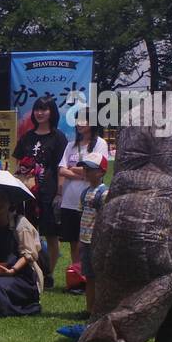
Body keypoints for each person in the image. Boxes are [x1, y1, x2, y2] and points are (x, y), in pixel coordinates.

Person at [12, 95, 67, 275]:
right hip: (27, 192)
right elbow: (17, 161)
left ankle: (49, 273)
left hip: (48, 191)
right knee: (27, 230)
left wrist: (59, 192)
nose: (40, 113)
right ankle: (31, 271)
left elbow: (61, 166)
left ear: (52, 112)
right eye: (37, 109)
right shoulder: (27, 136)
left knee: (50, 234)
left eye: (44, 109)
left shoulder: (58, 137)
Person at [56, 111, 110, 266]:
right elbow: (61, 170)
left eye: (83, 120)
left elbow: (99, 168)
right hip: (69, 200)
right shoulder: (71, 145)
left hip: (90, 200)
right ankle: (77, 277)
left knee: (88, 241)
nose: (79, 123)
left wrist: (73, 169)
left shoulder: (100, 143)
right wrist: (83, 173)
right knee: (73, 241)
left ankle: (89, 274)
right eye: (77, 120)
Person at [0, 190, 43, 316]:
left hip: (20, 275)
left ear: (10, 203)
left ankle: (23, 309)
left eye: (2, 199)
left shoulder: (20, 223)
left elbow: (29, 254)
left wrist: (12, 271)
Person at [77, 153, 110, 316]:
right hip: (85, 239)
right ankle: (89, 308)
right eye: (85, 169)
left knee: (99, 276)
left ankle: (100, 309)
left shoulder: (104, 194)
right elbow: (81, 214)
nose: (86, 172)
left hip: (97, 241)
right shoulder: (85, 193)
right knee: (89, 276)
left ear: (102, 172)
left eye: (90, 169)